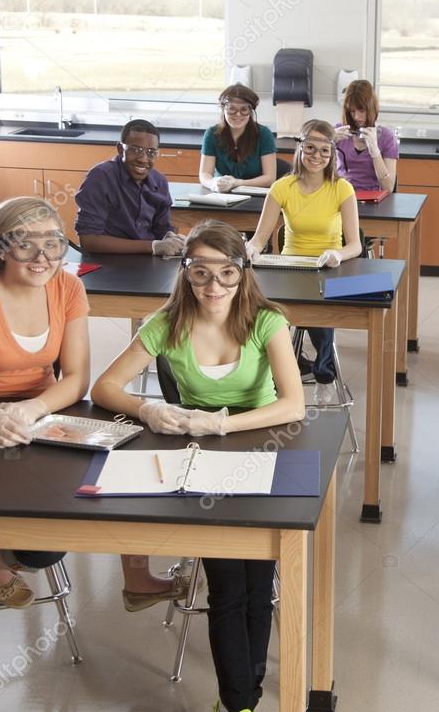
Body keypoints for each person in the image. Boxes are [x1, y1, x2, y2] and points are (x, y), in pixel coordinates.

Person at [92, 220, 304, 712]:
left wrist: (223, 423)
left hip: (265, 451)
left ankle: (246, 694)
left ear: (242, 272)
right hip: (200, 464)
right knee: (229, 586)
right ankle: (239, 702)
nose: (214, 286)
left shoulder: (267, 321)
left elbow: (293, 405)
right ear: (185, 271)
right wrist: (147, 409)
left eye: (226, 272)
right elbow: (104, 388)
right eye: (201, 272)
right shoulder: (166, 324)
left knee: (259, 584)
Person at [0, 197, 185, 611]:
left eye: (53, 243)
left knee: (117, 474)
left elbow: (76, 379)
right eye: (26, 244)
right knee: (43, 545)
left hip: (44, 408)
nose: (42, 257)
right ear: (2, 246)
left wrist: (32, 408)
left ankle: (136, 577)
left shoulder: (68, 286)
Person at [246, 120, 362, 405]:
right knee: (263, 314)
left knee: (321, 314)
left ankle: (324, 375)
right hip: (290, 267)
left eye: (324, 150)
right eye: (310, 148)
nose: (316, 156)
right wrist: (251, 248)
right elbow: (260, 238)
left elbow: (355, 245)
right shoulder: (282, 187)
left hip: (329, 268)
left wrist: (337, 254)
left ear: (332, 154)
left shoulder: (342, 188)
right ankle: (270, 379)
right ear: (300, 147)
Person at [75, 118, 185, 256]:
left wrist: (172, 239)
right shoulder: (101, 178)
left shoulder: (160, 182)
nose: (143, 159)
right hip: (107, 262)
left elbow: (162, 231)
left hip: (148, 262)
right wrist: (152, 246)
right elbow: (88, 240)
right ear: (120, 149)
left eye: (151, 152)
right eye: (135, 150)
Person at [199, 84, 279, 193]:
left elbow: (269, 178)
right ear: (223, 109)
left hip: (256, 195)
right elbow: (205, 174)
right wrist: (213, 183)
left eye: (244, 109)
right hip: (222, 195)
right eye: (232, 108)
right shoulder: (212, 134)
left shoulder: (264, 134)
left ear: (251, 111)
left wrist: (237, 183)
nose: (238, 114)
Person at [333, 79, 398, 194]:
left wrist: (375, 151)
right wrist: (328, 144)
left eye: (362, 110)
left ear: (372, 108)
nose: (357, 117)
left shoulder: (387, 137)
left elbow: (388, 187)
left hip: (373, 199)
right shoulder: (339, 132)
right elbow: (322, 179)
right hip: (342, 195)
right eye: (352, 111)